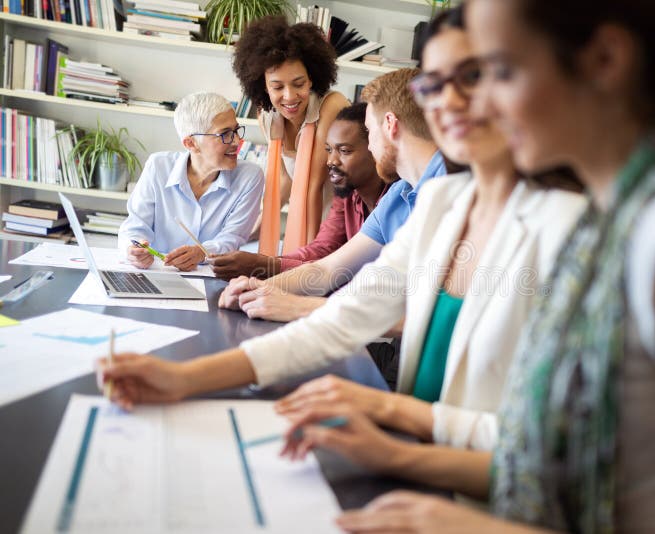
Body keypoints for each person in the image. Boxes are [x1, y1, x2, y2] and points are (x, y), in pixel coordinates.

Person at [301, 0, 655, 533]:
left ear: (605, 60)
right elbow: (570, 466)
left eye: (500, 71)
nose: (480, 103)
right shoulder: (614, 213)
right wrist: (399, 455)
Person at [95, 13, 585, 457]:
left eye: (476, 76)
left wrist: (392, 425)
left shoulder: (568, 228)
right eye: (435, 83)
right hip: (416, 458)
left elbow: (550, 446)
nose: (449, 101)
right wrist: (181, 377)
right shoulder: (442, 203)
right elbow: (349, 313)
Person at [216, 68, 447, 323]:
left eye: (369, 132)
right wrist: (257, 289)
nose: (370, 146)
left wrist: (300, 307)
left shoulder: (454, 191)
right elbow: (326, 270)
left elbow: (435, 311)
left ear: (390, 125)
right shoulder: (398, 195)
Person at [209, 103, 392, 281]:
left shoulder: (397, 201)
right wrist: (264, 264)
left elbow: (352, 270)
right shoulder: (347, 195)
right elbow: (321, 250)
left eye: (344, 150)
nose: (331, 161)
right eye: (329, 150)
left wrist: (262, 266)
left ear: (376, 149)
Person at [231, 16, 349, 259]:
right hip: (307, 226)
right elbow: (284, 180)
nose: (289, 96)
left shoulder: (330, 106)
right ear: (263, 86)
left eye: (299, 84)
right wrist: (250, 231)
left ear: (312, 78)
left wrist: (308, 257)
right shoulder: (267, 116)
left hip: (336, 227)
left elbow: (312, 186)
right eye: (277, 87)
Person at [118, 92, 264, 272]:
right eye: (225, 133)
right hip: (157, 273)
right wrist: (133, 249)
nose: (237, 141)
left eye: (236, 130)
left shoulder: (250, 177)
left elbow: (233, 238)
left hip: (211, 277)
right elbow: (135, 226)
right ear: (191, 144)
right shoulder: (158, 166)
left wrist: (202, 252)